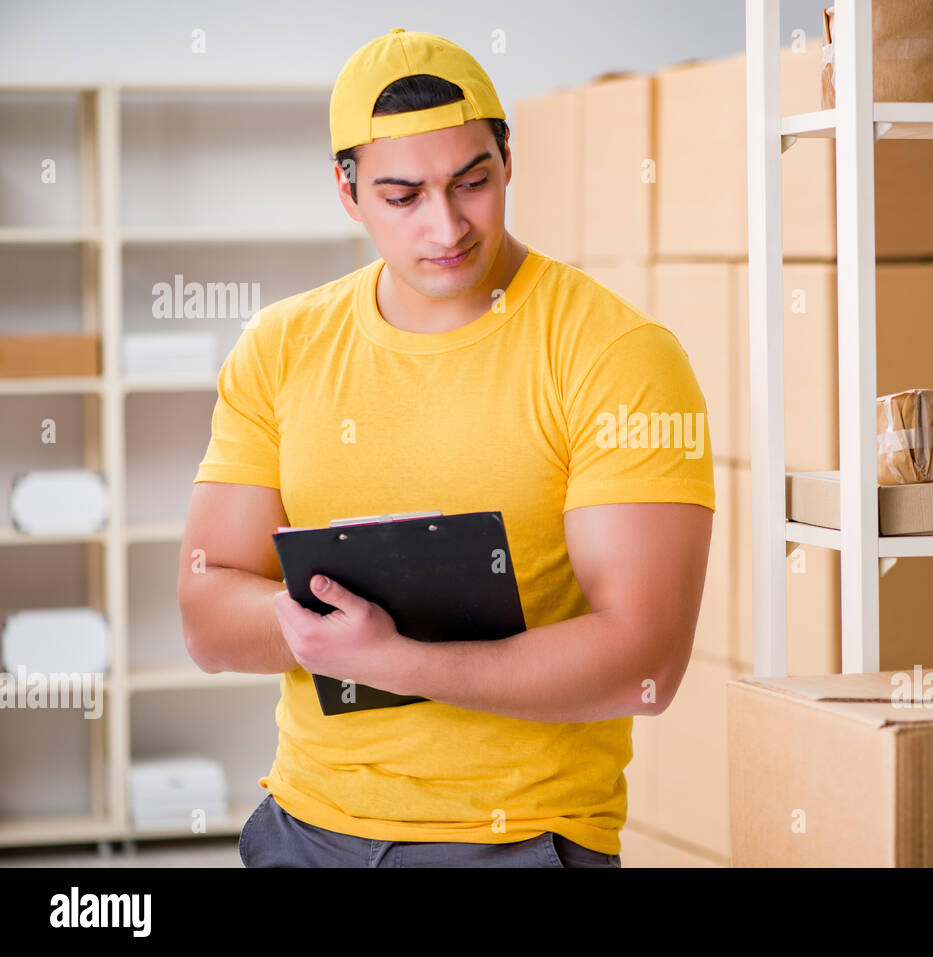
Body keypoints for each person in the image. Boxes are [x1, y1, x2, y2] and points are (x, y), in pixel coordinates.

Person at [177, 28, 714, 868]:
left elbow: (645, 661)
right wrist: (317, 623)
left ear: (508, 157)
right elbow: (206, 613)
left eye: (473, 182)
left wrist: (400, 657)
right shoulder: (280, 346)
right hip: (302, 827)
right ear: (347, 193)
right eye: (402, 196)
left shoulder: (615, 354)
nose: (448, 226)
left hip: (518, 840)